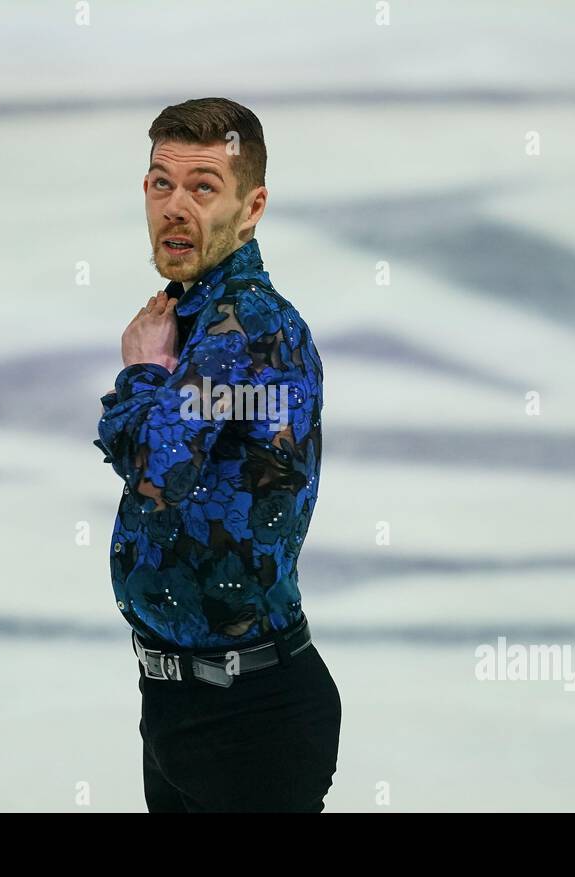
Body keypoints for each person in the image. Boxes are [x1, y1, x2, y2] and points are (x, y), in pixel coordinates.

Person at [93, 98, 341, 812]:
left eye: (203, 187)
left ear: (252, 205)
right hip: (179, 707)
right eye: (161, 183)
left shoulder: (247, 324)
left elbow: (159, 472)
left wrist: (141, 372)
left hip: (250, 721)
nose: (176, 206)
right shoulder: (194, 313)